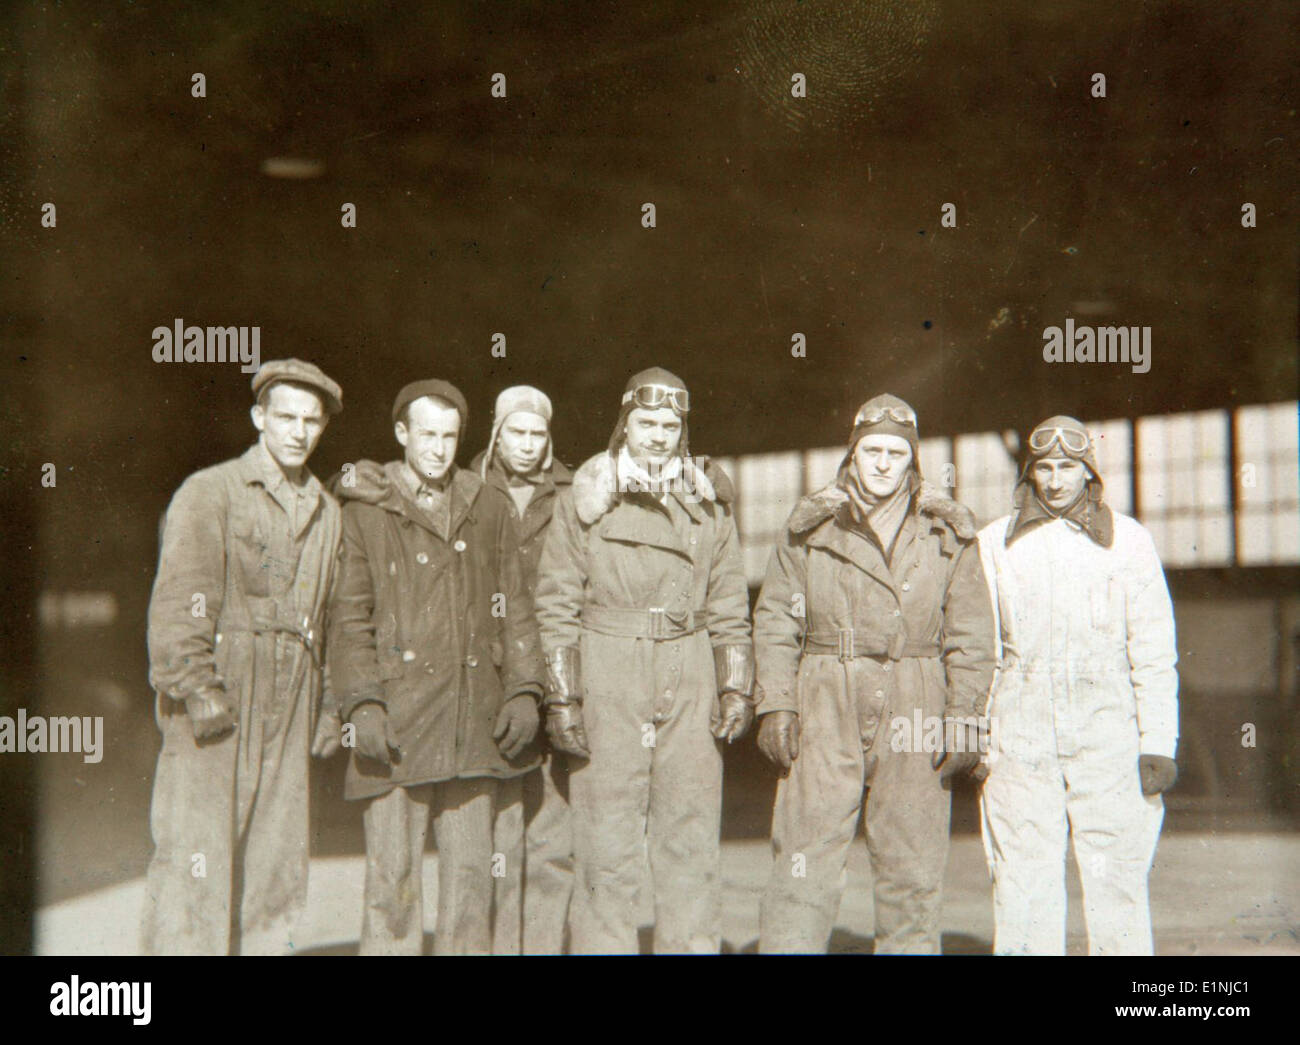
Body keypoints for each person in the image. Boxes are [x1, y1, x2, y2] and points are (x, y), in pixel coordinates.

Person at [753, 393, 995, 954]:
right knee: (802, 860)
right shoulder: (809, 527)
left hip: (916, 697)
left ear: (913, 460)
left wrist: (964, 718)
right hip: (824, 692)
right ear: (852, 454)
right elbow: (773, 620)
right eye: (872, 451)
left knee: (911, 865)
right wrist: (777, 703)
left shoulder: (947, 534)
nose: (883, 463)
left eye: (895, 452)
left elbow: (972, 636)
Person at [534, 367, 754, 954]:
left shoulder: (710, 505)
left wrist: (735, 686)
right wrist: (563, 696)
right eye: (646, 423)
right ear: (624, 426)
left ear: (683, 429)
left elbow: (730, 599)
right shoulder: (584, 504)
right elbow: (556, 601)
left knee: (690, 834)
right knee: (607, 840)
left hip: (689, 674)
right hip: (610, 670)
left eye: (670, 424)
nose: (658, 435)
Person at [327, 380, 544, 955]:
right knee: (392, 882)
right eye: (427, 434)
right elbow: (349, 619)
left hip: (476, 718)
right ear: (402, 434)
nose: (439, 449)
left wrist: (525, 689)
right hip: (398, 720)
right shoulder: (368, 511)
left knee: (471, 883)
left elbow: (516, 606)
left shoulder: (488, 505)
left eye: (451, 436)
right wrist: (362, 703)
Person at [142, 358, 345, 955]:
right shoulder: (211, 491)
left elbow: (329, 615)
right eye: (285, 417)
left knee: (277, 860)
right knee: (195, 854)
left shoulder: (327, 511)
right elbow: (182, 599)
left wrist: (329, 703)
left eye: (311, 421)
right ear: (259, 417)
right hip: (223, 685)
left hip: (293, 690)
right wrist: (195, 685)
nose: (298, 432)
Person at [976, 415, 1178, 955]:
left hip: (1107, 730)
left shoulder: (1129, 541)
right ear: (1030, 473)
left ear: (1088, 470)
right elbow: (982, 650)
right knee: (1022, 876)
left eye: (1068, 467)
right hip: (1021, 731)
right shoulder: (994, 543)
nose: (1056, 480)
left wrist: (1158, 740)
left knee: (1116, 877)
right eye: (1044, 467)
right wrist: (981, 733)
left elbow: (1154, 650)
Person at [470, 385, 575, 954]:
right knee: (496, 839)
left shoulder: (578, 490)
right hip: (490, 674)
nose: (529, 446)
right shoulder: (466, 489)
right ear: (496, 431)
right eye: (517, 432)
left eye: (538, 435)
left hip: (556, 667)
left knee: (554, 836)